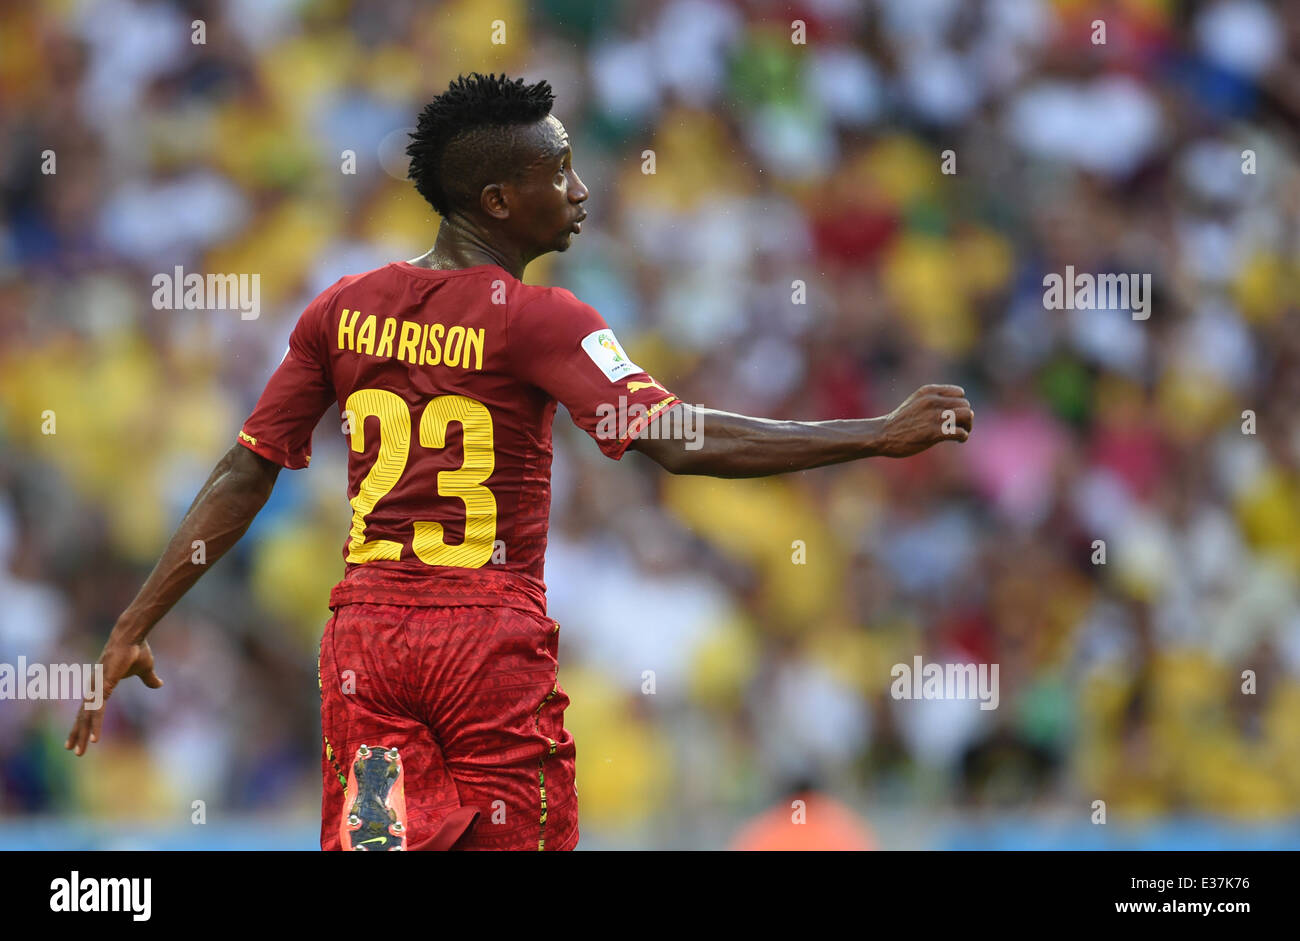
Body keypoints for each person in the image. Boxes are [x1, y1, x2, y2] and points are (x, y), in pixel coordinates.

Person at [65, 73, 973, 851]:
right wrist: (874, 434)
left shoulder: (341, 308)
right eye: (561, 171)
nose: (581, 190)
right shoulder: (540, 319)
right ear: (498, 200)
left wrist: (132, 622)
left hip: (366, 642)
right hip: (481, 643)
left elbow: (244, 469)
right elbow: (675, 438)